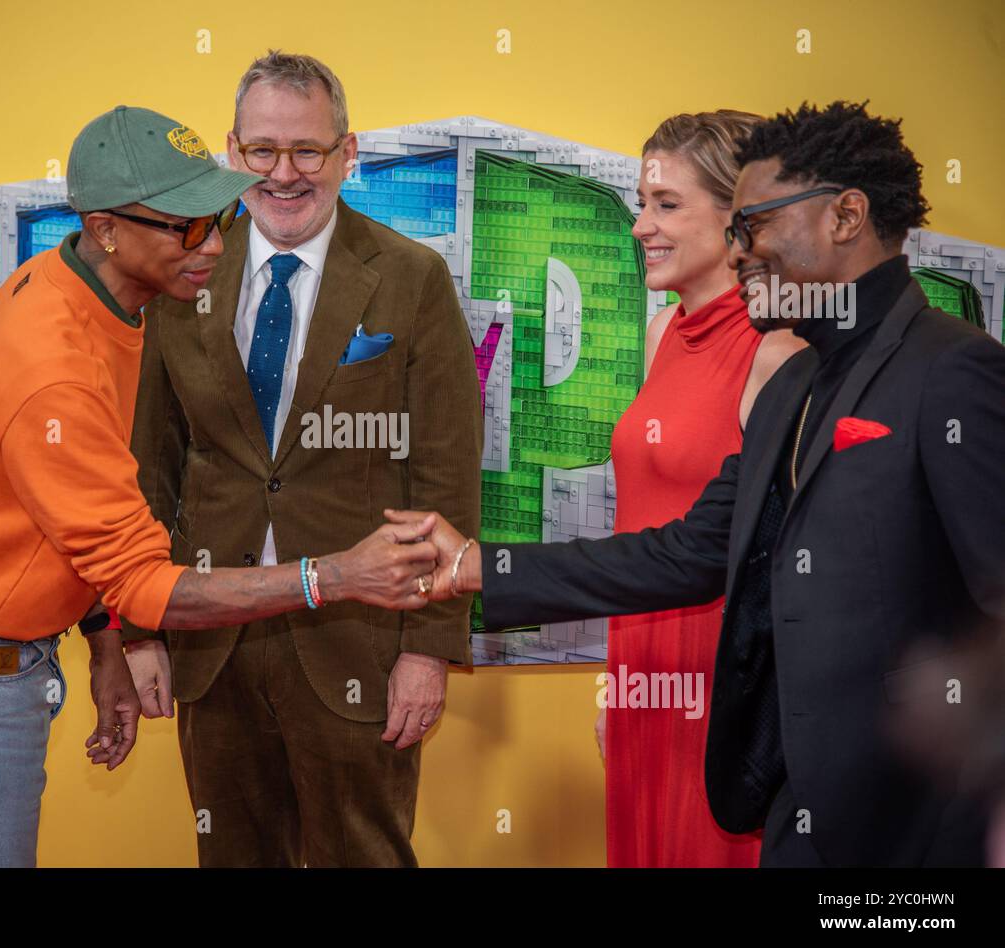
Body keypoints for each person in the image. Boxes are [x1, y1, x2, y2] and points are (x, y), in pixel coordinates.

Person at [393, 101, 1005, 866]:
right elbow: (688, 553)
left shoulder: (954, 369)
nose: (741, 250)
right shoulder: (799, 385)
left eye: (755, 225)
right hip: (791, 801)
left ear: (847, 216)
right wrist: (475, 566)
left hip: (913, 826)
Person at [0, 105, 439, 868]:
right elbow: (142, 580)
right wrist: (332, 574)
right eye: (188, 226)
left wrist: (103, 645)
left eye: (220, 215)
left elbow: (88, 513)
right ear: (106, 229)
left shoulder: (101, 293)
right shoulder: (53, 367)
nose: (217, 243)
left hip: (1, 652)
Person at [123, 51, 482, 867]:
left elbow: (446, 474)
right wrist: (140, 629)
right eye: (262, 151)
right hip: (213, 644)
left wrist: (428, 646)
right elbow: (151, 469)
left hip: (358, 643)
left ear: (346, 154)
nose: (285, 174)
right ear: (232, 152)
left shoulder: (412, 278)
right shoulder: (185, 277)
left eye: (308, 151)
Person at [602, 110, 802, 867]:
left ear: (735, 216)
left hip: (725, 678)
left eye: (666, 204)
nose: (640, 226)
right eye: (639, 201)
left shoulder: (775, 351)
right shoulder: (661, 333)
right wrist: (612, 688)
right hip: (639, 667)